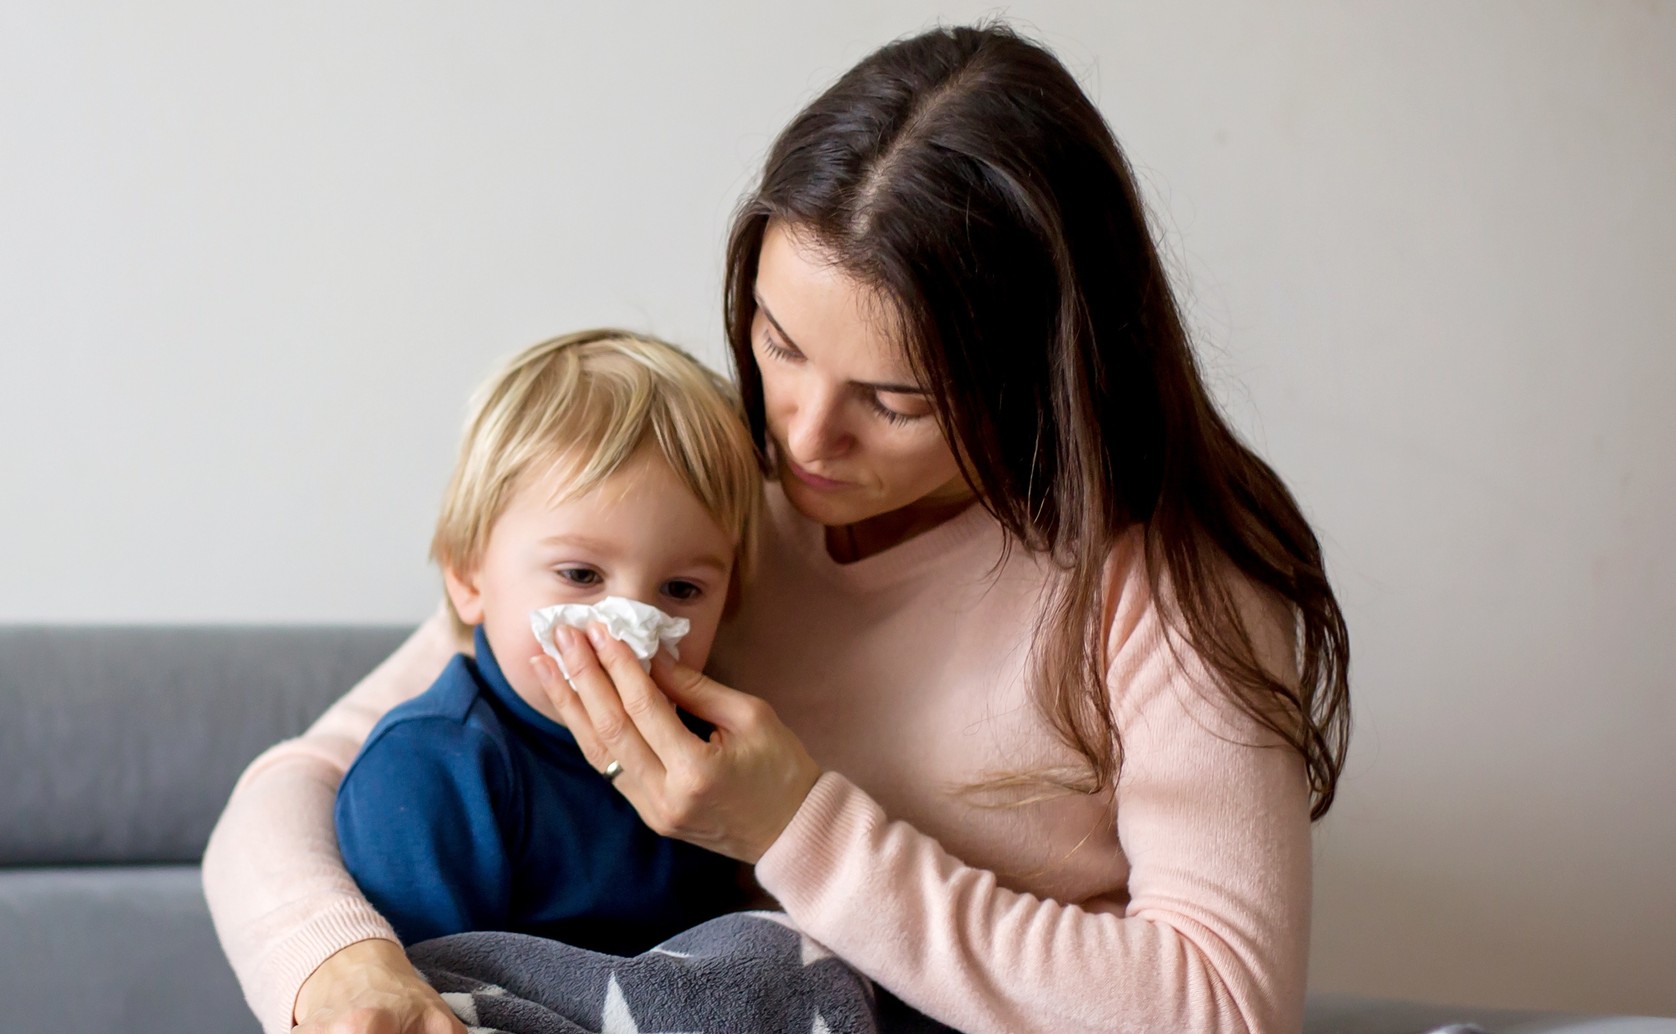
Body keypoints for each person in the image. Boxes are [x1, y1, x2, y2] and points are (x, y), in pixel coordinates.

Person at [203, 22, 1351, 1034]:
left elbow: (1223, 1006)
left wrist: (798, 825)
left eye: (895, 400)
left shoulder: (1167, 584)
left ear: (1040, 380)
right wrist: (342, 964)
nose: (802, 436)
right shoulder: (693, 507)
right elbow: (299, 782)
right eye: (779, 341)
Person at [332, 329, 759, 953]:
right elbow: (435, 999)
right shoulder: (432, 772)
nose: (628, 626)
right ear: (467, 576)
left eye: (681, 589)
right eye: (581, 576)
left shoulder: (707, 762)